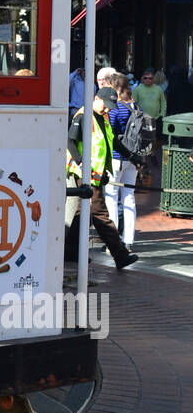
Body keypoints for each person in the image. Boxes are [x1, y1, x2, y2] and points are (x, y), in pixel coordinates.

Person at [65, 85, 138, 270]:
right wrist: (81, 162)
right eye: (104, 105)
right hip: (85, 173)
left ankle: (71, 251)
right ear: (96, 98)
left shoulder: (102, 117)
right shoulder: (83, 116)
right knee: (100, 214)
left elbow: (111, 140)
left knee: (82, 212)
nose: (106, 109)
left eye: (109, 107)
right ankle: (120, 255)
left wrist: (130, 156)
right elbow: (70, 140)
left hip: (96, 174)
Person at [105, 75, 139, 252]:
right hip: (133, 159)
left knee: (111, 197)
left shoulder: (116, 108)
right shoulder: (136, 107)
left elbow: (109, 134)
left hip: (116, 157)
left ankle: (114, 242)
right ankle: (129, 240)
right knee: (129, 197)